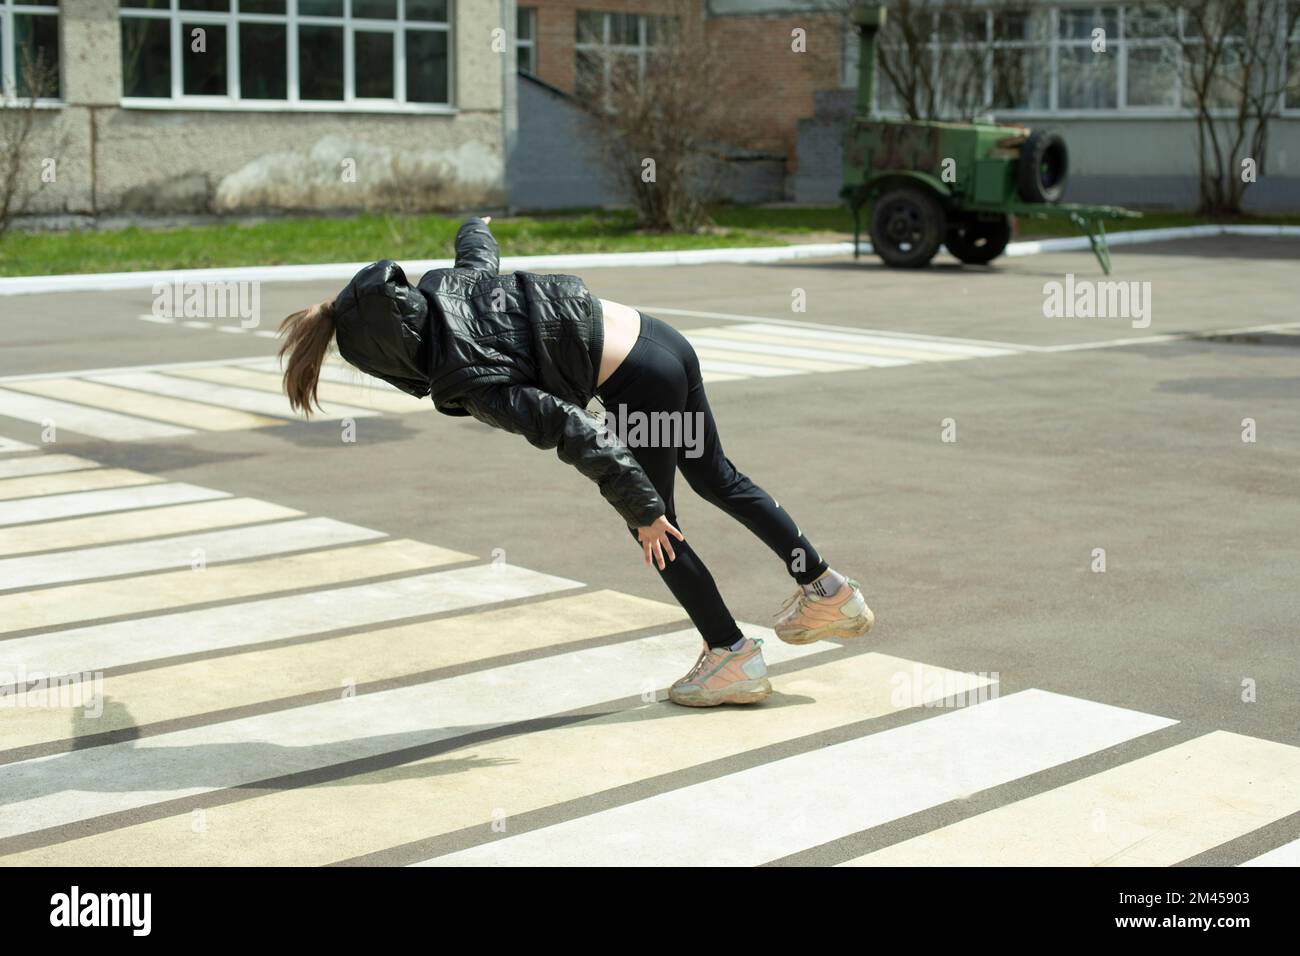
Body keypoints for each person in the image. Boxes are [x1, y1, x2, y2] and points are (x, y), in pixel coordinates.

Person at [277, 216, 873, 707]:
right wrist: (473, 224)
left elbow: (575, 429)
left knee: (658, 529)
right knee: (717, 477)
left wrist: (641, 509)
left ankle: (731, 657)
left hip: (639, 381)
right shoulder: (444, 290)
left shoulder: (471, 380)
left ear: (391, 359)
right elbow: (477, 254)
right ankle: (828, 590)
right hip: (661, 340)